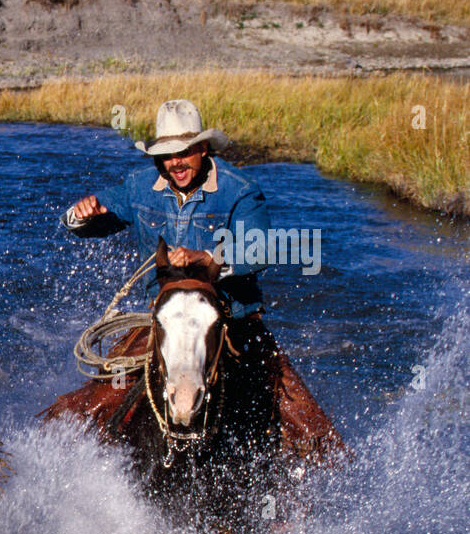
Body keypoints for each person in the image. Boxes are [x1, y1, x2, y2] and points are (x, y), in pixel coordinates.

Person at [56, 99, 345, 463]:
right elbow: (99, 213)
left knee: (311, 428)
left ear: (203, 148)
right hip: (164, 321)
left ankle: (307, 495)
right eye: (166, 155)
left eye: (185, 152)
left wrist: (210, 259)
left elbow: (261, 250)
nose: (176, 162)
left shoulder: (240, 190)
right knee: (89, 406)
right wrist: (80, 215)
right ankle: (71, 468)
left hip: (233, 323)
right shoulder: (139, 185)